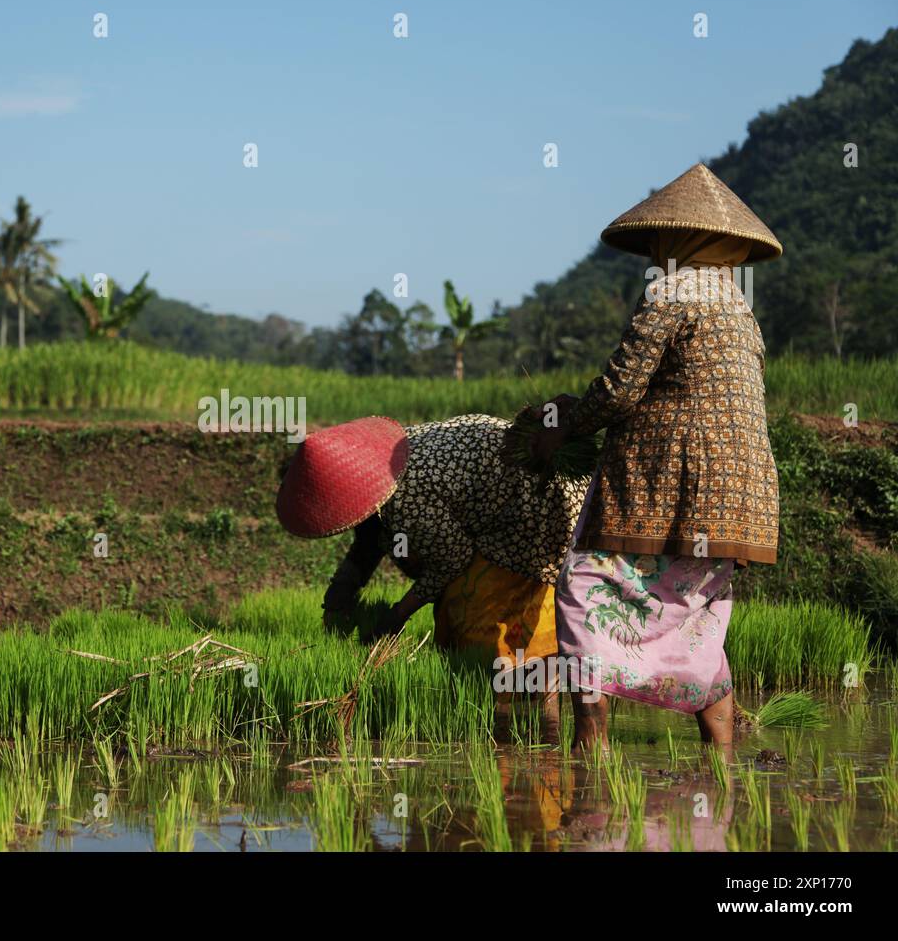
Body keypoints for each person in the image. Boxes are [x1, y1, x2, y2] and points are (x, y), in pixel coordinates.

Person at [530, 163, 783, 752]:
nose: (652, 258)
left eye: (658, 245)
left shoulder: (674, 291)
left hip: (670, 483)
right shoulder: (740, 308)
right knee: (692, 610)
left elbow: (621, 389)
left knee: (584, 587)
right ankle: (721, 761)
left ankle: (590, 746)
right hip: (741, 500)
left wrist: (564, 425)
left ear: (681, 241)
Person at [276, 414, 589, 726]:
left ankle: (524, 728)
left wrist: (397, 615)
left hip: (537, 505)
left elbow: (453, 560)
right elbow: (370, 538)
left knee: (484, 629)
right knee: (472, 621)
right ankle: (528, 720)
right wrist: (339, 593)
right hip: (512, 489)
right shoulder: (383, 466)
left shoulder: (405, 499)